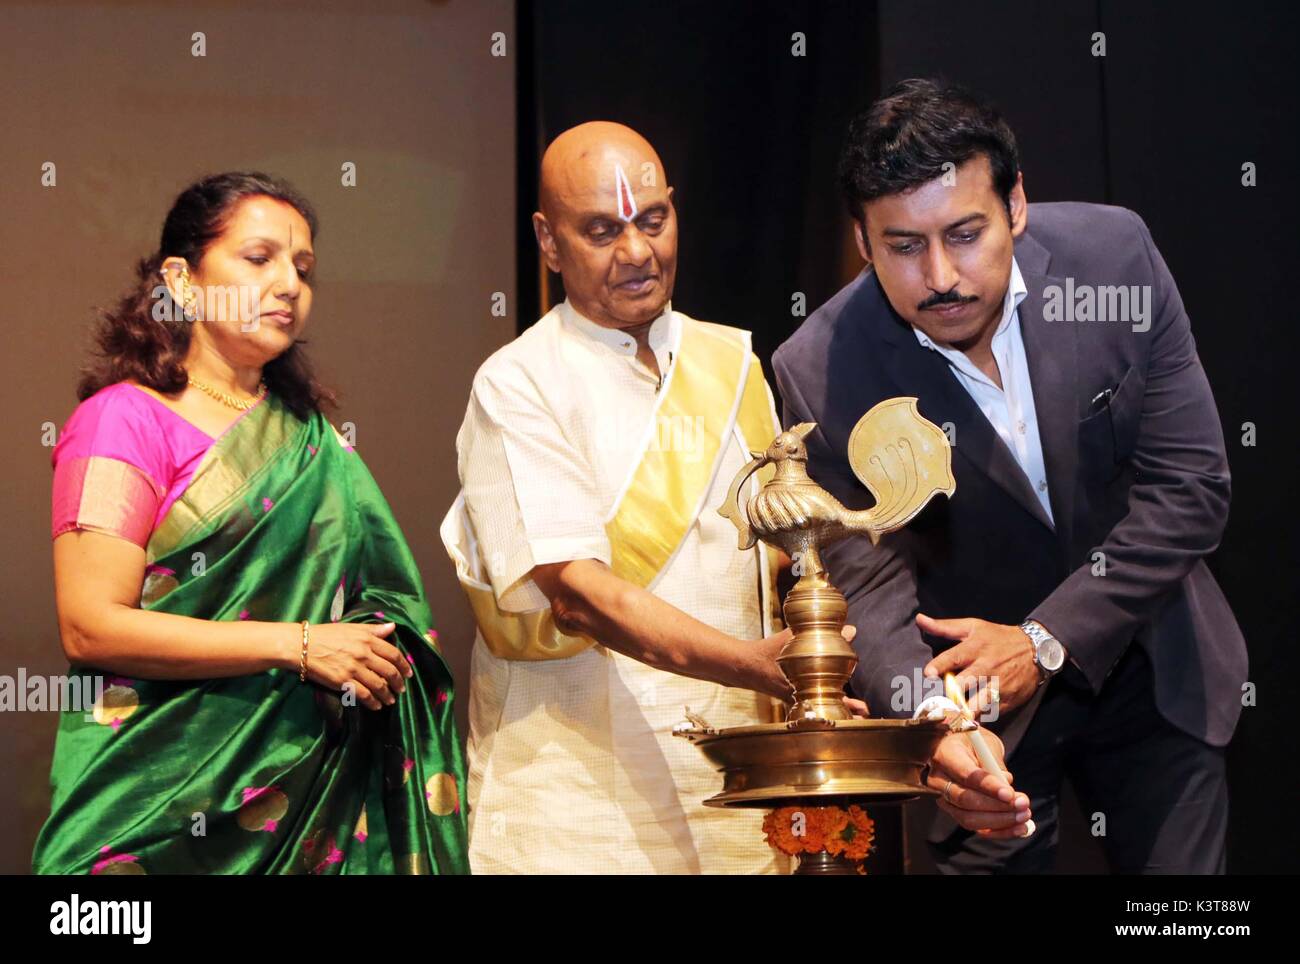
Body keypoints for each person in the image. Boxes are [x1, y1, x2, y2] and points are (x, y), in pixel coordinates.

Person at [772, 79, 1246, 873]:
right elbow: (868, 584)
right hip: (975, 714)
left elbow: (1191, 489)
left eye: (965, 234)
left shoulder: (1114, 259)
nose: (941, 276)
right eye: (904, 247)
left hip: (1152, 664)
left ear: (1016, 206)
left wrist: (1044, 641)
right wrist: (939, 724)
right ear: (861, 241)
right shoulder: (820, 368)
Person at [33, 172, 468, 875]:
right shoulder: (123, 420)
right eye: (258, 258)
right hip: (144, 807)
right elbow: (90, 624)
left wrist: (368, 652)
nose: (290, 284)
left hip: (298, 805)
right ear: (181, 278)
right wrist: (298, 645)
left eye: (303, 268)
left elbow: (380, 609)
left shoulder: (313, 442)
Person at [441, 121, 815, 874]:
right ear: (548, 242)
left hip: (740, 794)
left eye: (653, 220)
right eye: (602, 230)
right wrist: (754, 665)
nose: (639, 252)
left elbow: (782, 565)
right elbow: (575, 595)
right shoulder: (519, 384)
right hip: (577, 803)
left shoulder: (734, 366)